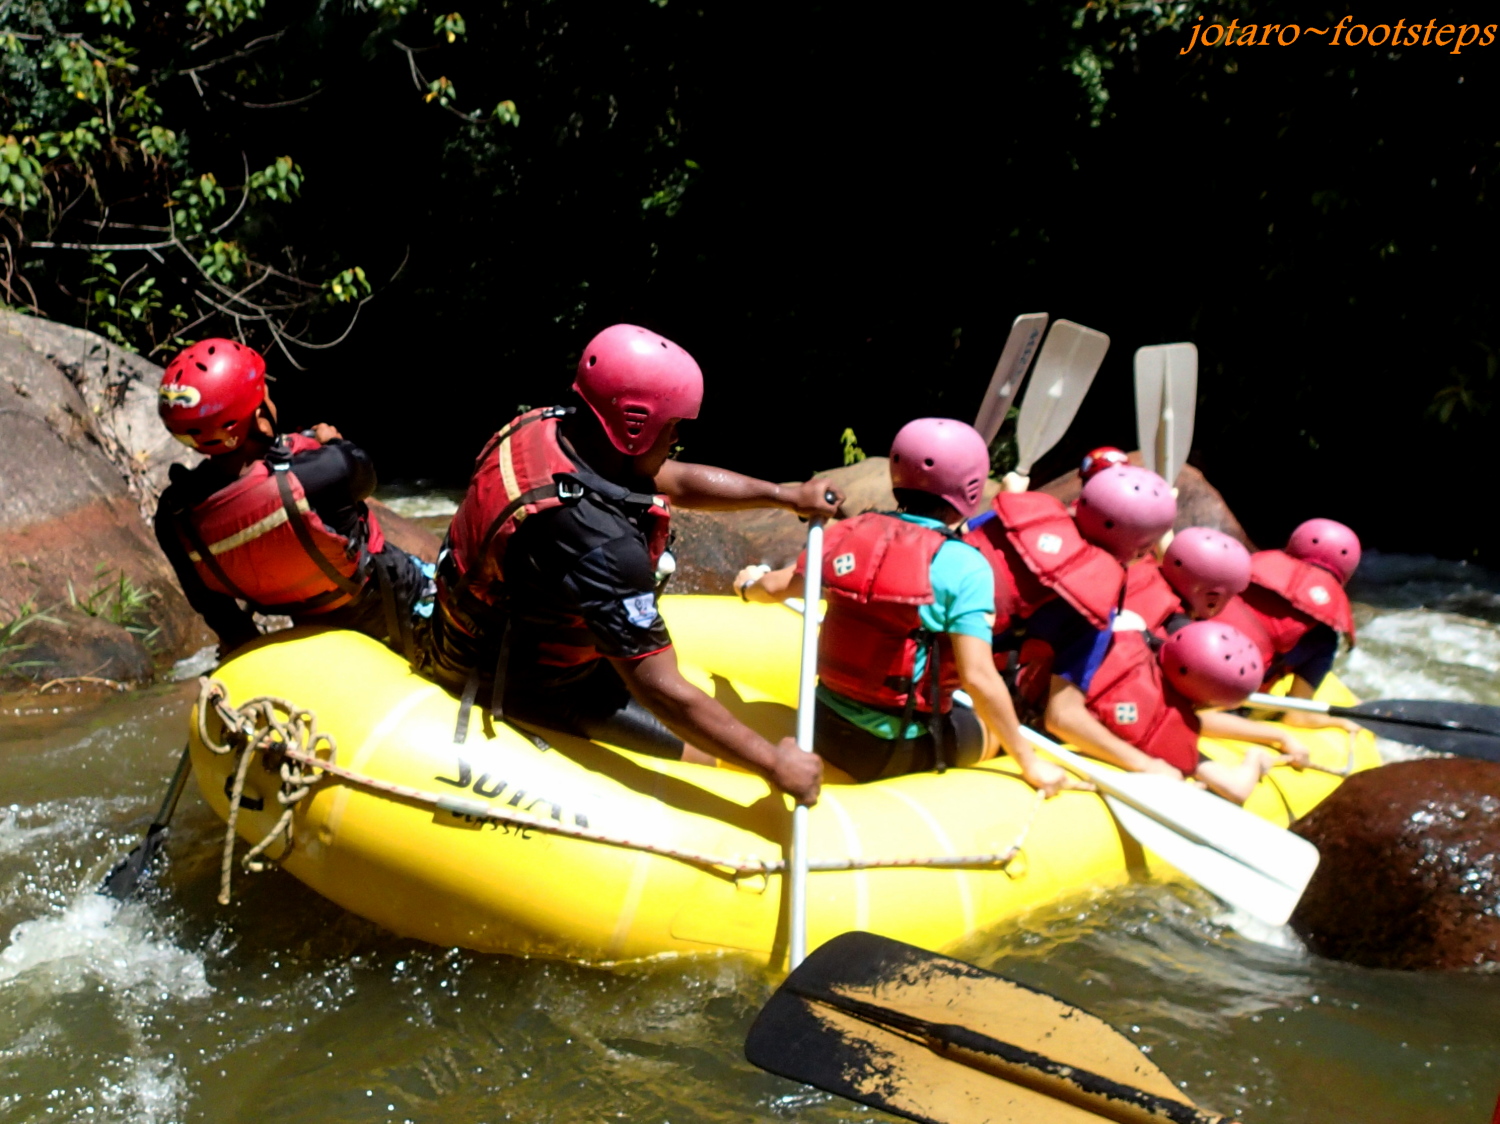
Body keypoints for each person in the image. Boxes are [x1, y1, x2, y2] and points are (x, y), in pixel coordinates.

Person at [422, 323, 836, 805]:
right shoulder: (596, 541)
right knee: (717, 766)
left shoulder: (550, 427)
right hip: (531, 685)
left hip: (480, 633)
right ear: (634, 425)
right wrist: (773, 763)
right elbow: (660, 689)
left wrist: (785, 496)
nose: (677, 438)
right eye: (674, 426)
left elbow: (669, 480)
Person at [736, 418, 1078, 796]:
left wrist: (748, 584)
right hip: (894, 749)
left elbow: (773, 587)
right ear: (972, 487)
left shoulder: (845, 533)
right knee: (986, 727)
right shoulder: (965, 565)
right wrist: (1030, 763)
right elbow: (978, 678)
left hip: (822, 727)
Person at [154, 339, 429, 659]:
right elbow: (365, 478)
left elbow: (218, 613)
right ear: (258, 416)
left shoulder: (175, 515)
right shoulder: (326, 470)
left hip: (303, 622)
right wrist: (334, 445)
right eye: (264, 394)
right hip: (393, 603)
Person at [1042, 615, 1278, 804]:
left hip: (1031, 711)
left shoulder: (1126, 629)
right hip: (1054, 745)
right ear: (1209, 704)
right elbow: (1236, 789)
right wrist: (1255, 758)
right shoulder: (1173, 734)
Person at [1158, 526, 1315, 768]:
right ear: (1212, 598)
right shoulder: (1187, 644)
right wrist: (1279, 735)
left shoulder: (1141, 579)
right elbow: (1194, 717)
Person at [1214, 517, 1363, 735]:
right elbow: (1297, 716)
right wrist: (1339, 721)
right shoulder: (1323, 635)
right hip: (1219, 708)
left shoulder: (1239, 578)